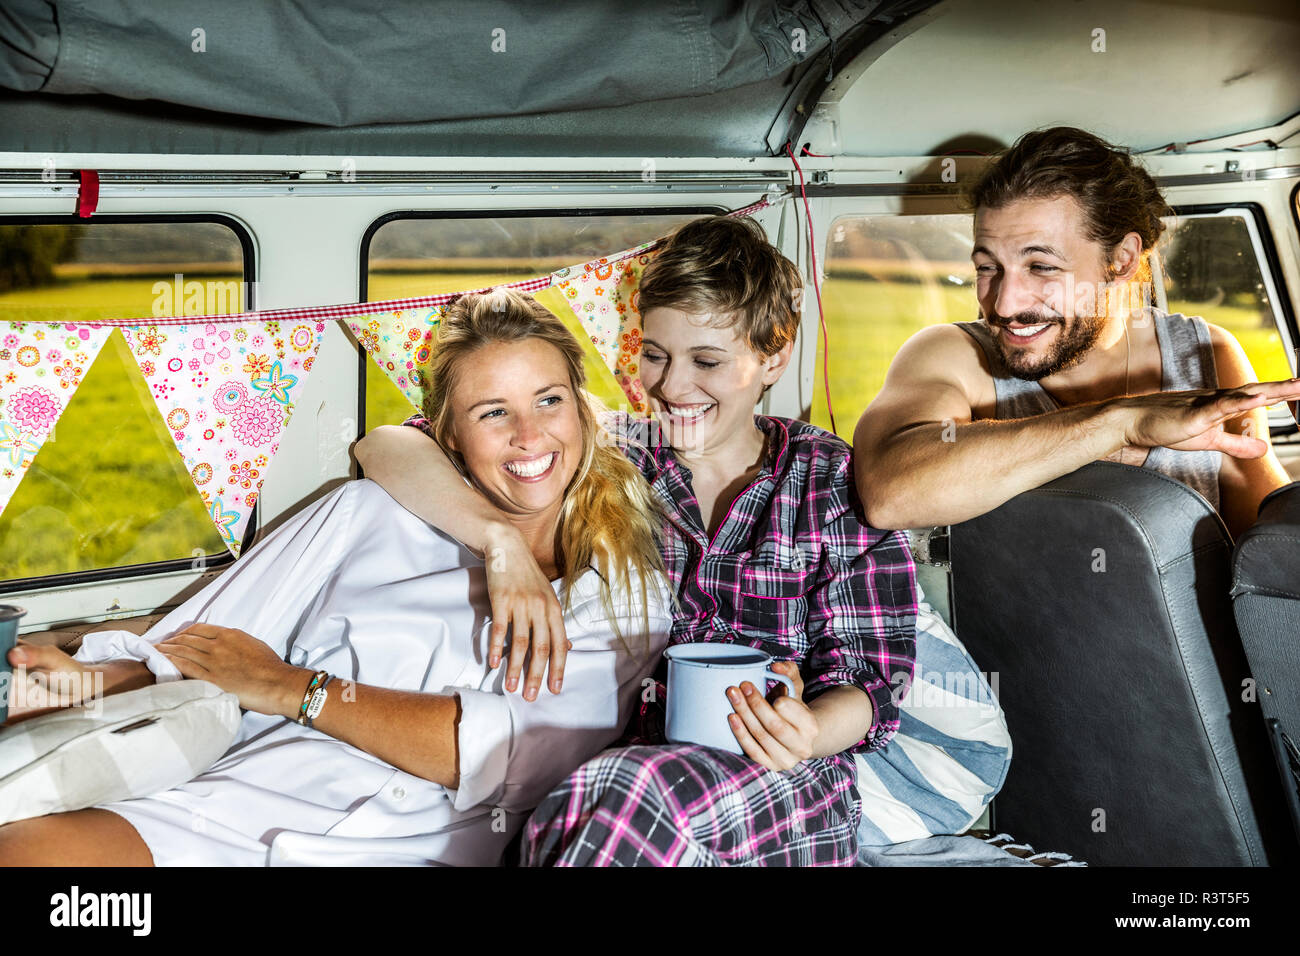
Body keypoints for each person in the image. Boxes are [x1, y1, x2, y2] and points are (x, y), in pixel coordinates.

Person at [0, 289, 672, 867]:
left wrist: (293, 687)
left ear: (582, 410)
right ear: (451, 435)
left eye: (548, 400)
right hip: (231, 803)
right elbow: (198, 646)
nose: (529, 435)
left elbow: (503, 756)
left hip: (414, 845)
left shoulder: (623, 589)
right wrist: (67, 680)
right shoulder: (366, 512)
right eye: (492, 412)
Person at [356, 215, 926, 865]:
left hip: (784, 782)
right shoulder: (611, 456)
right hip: (617, 772)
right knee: (576, 805)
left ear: (773, 354)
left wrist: (812, 728)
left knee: (624, 797)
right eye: (656, 356)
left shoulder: (831, 480)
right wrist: (500, 545)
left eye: (706, 361)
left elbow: (871, 684)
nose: (672, 386)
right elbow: (390, 445)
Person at [854, 126, 1300, 539]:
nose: (1005, 305)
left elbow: (1263, 540)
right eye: (988, 268)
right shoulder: (954, 357)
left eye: (1041, 267)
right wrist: (1122, 422)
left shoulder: (1203, 354)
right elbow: (889, 494)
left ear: (1122, 260)